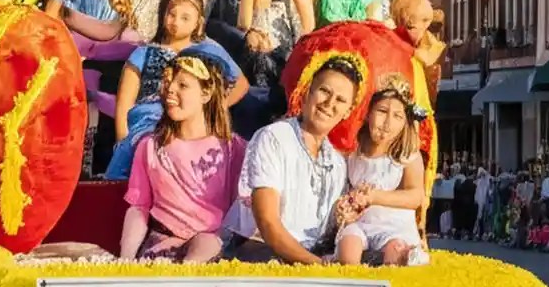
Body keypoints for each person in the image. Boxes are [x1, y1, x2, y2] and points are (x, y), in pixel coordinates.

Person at [223, 57, 360, 264]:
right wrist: (318, 265)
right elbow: (268, 223)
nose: (329, 104)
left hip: (314, 254)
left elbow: (328, 234)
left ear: (347, 112)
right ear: (307, 93)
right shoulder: (273, 137)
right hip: (265, 252)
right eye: (324, 91)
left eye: (340, 100)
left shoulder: (337, 162)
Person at [106, 0, 248, 180]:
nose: (175, 22)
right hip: (149, 120)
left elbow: (241, 84)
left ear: (198, 23)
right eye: (171, 14)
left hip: (194, 121)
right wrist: (122, 139)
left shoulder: (209, 51)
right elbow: (124, 103)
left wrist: (215, 107)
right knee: (128, 157)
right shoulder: (144, 53)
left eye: (185, 18)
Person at [119, 56, 246, 263]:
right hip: (161, 246)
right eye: (168, 82)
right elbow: (139, 207)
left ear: (206, 93)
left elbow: (241, 209)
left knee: (206, 244)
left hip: (212, 249)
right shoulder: (151, 147)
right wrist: (125, 260)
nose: (170, 89)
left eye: (183, 85)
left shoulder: (233, 149)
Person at [334, 86, 429, 266]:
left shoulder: (407, 156)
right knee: (348, 247)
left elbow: (415, 196)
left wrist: (375, 197)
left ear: (404, 123)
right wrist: (347, 207)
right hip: (361, 224)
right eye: (382, 111)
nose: (387, 122)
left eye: (397, 116)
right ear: (369, 114)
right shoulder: (353, 154)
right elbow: (347, 191)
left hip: (394, 227)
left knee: (395, 251)